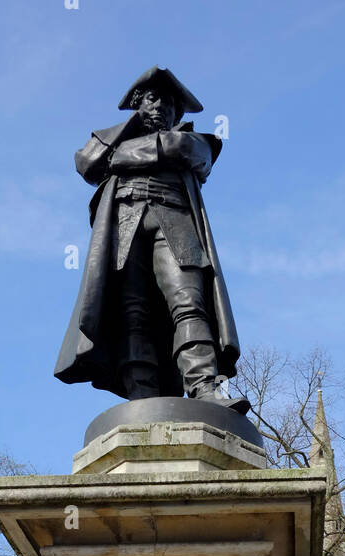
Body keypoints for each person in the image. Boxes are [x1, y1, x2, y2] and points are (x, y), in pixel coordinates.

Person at [54, 66, 249, 412]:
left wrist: (120, 156)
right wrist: (128, 130)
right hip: (124, 225)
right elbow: (87, 163)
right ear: (137, 104)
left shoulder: (196, 139)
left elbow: (182, 151)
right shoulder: (116, 135)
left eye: (169, 102)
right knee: (133, 313)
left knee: (189, 301)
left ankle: (204, 387)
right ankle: (141, 397)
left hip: (175, 222)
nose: (160, 107)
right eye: (151, 99)